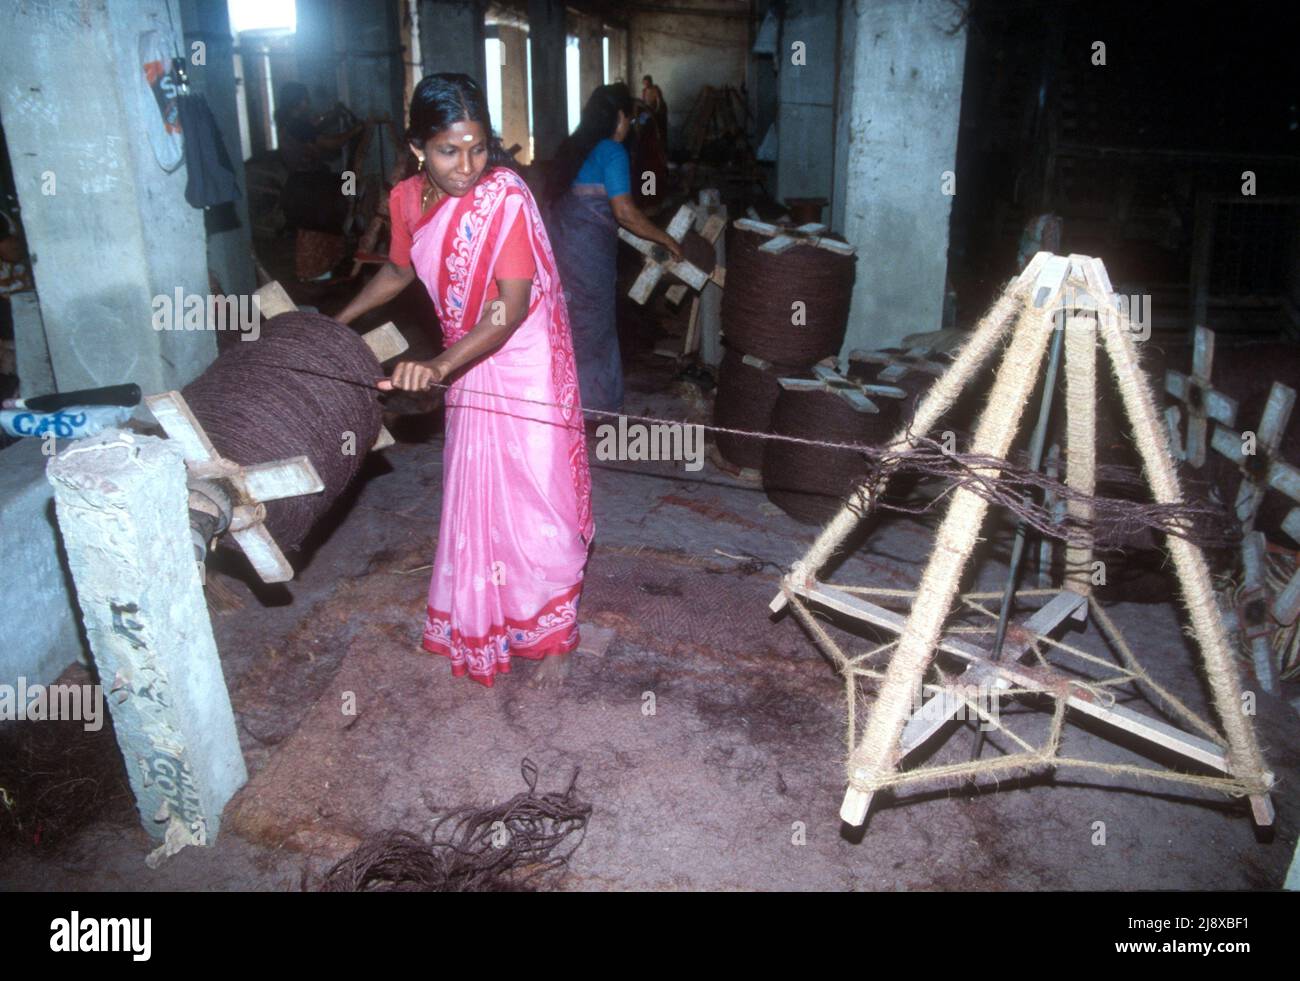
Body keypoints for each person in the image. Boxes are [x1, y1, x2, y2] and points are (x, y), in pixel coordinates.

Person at [336, 73, 593, 687]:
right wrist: (337, 322)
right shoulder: (403, 200)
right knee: (479, 489)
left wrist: (439, 367)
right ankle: (486, 616)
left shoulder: (504, 197)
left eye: (479, 147)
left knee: (536, 490)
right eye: (449, 150)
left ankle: (543, 618)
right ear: (419, 146)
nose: (467, 165)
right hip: (467, 355)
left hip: (517, 356)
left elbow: (507, 310)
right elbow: (398, 273)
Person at [543, 83, 682, 414]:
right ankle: (593, 410)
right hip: (588, 258)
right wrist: (666, 238)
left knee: (565, 324)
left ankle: (559, 402)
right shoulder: (611, 151)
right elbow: (625, 213)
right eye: (630, 120)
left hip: (560, 253)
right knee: (593, 328)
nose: (630, 127)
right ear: (619, 117)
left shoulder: (571, 148)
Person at [640, 74, 669, 155]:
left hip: (659, 113)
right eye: (644, 83)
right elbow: (643, 103)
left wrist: (655, 113)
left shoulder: (656, 89)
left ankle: (663, 151)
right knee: (641, 122)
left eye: (647, 83)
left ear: (651, 82)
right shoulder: (644, 91)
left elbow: (659, 103)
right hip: (649, 112)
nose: (646, 85)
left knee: (660, 132)